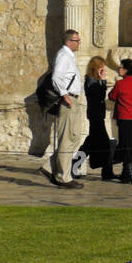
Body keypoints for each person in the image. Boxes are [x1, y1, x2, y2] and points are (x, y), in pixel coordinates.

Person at [41, 29, 87, 189]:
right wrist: (65, 95)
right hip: (68, 101)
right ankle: (63, 177)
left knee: (73, 138)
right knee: (67, 139)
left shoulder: (69, 56)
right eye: (77, 40)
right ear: (69, 42)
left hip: (73, 100)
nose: (79, 43)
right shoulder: (64, 55)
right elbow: (56, 77)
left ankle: (49, 167)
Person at [80, 55, 117, 181]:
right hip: (95, 116)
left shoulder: (93, 81)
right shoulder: (90, 81)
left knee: (90, 144)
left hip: (97, 116)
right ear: (96, 69)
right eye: (102, 69)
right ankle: (107, 172)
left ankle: (73, 165)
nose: (104, 71)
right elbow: (99, 96)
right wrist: (103, 80)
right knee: (102, 144)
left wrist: (102, 81)